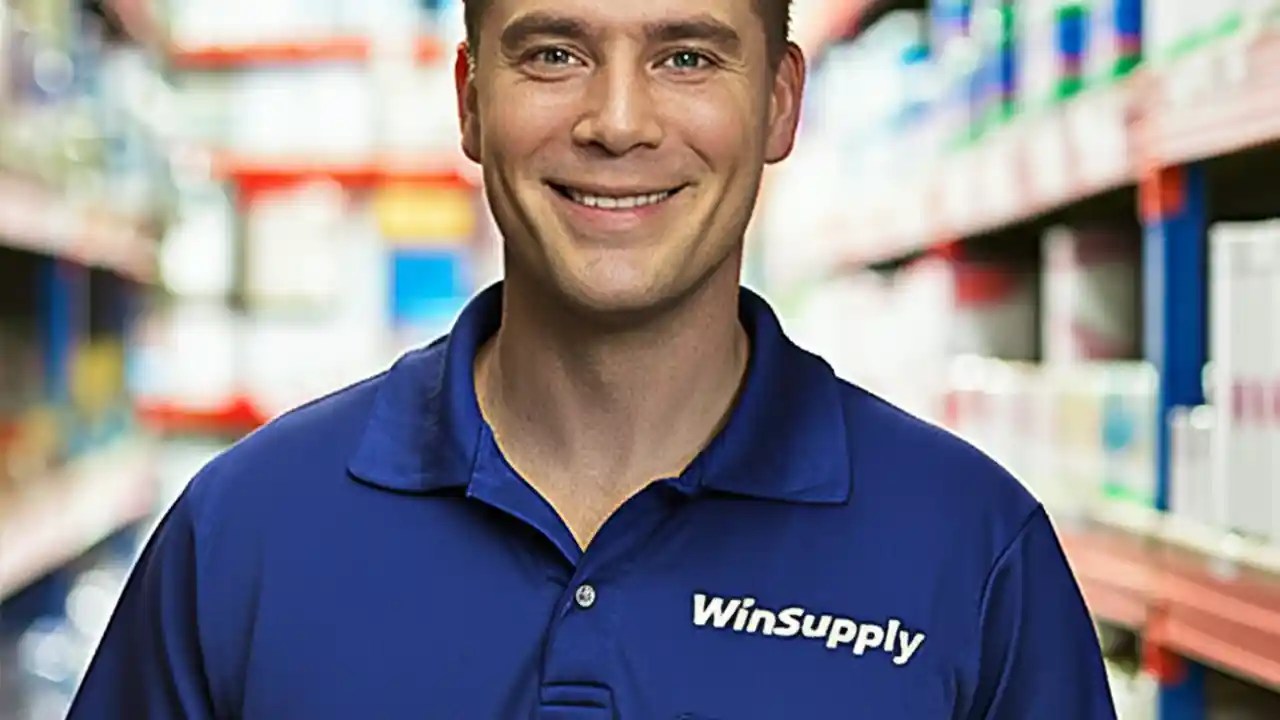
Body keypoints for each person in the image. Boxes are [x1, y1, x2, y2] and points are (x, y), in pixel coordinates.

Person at [69, 0, 1117, 717]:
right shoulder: (242, 536)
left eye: (686, 56)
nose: (617, 123)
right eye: (554, 53)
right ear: (470, 100)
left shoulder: (974, 555)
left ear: (779, 102)